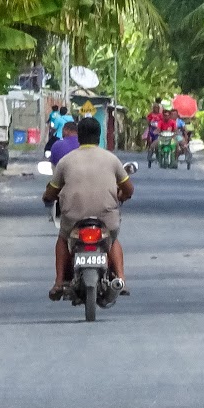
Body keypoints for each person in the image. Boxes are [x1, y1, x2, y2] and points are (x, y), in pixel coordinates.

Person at [42, 117, 134, 299]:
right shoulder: (111, 159)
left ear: (79, 137)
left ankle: (59, 282)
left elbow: (52, 190)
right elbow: (129, 189)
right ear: (99, 137)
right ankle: (121, 280)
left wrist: (47, 197)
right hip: (106, 217)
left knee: (62, 239)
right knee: (113, 240)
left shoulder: (66, 162)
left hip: (74, 217)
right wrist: (122, 196)